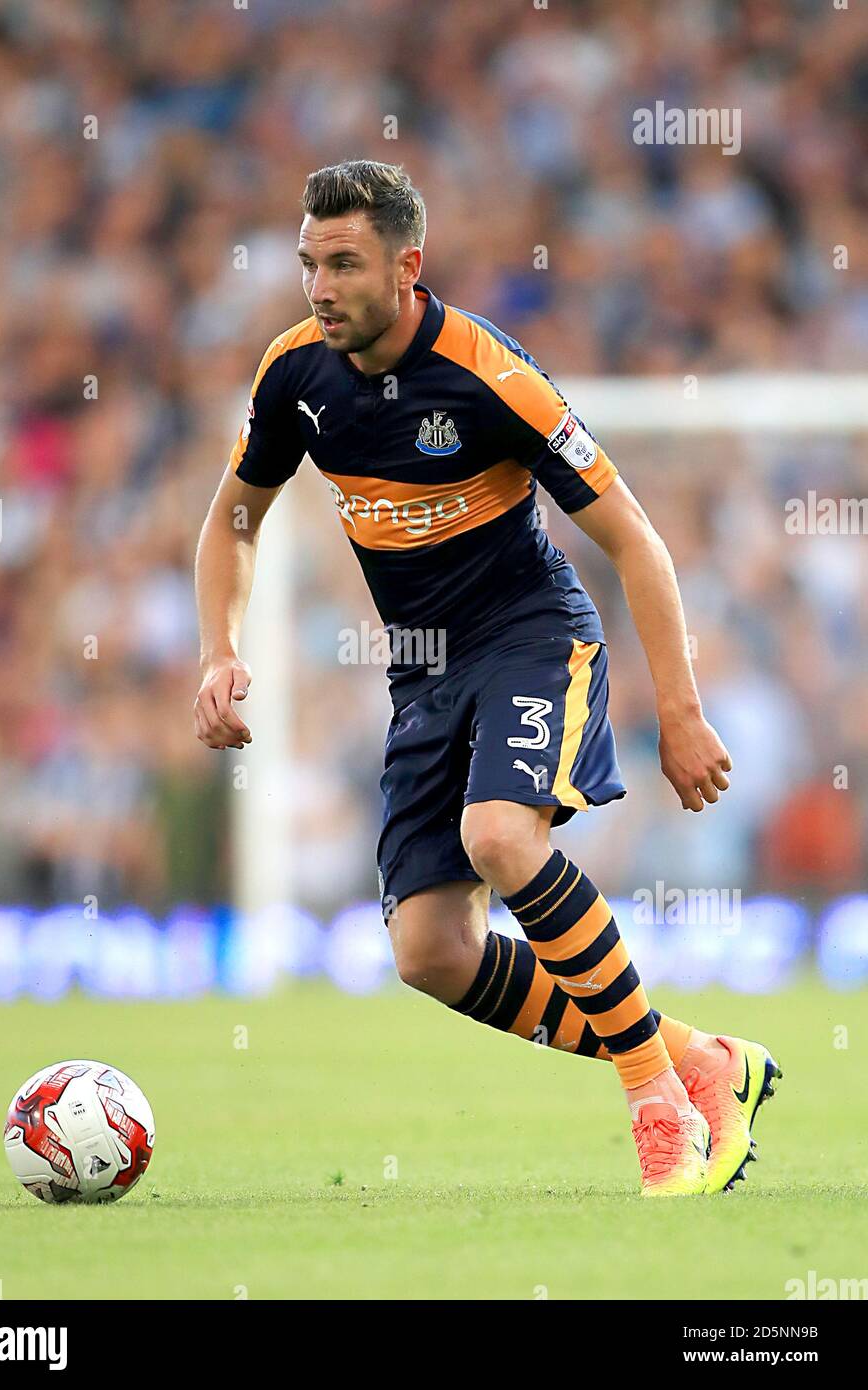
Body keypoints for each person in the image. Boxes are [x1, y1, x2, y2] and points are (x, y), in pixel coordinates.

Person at [194, 160, 780, 1196]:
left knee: (500, 836)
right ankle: (700, 1058)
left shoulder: (490, 375)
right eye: (307, 264)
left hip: (528, 636)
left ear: (407, 266)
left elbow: (638, 543)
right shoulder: (293, 375)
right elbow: (234, 517)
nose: (319, 286)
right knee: (428, 950)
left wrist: (679, 715)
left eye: (343, 263)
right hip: (421, 675)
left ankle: (659, 1108)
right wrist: (219, 648)